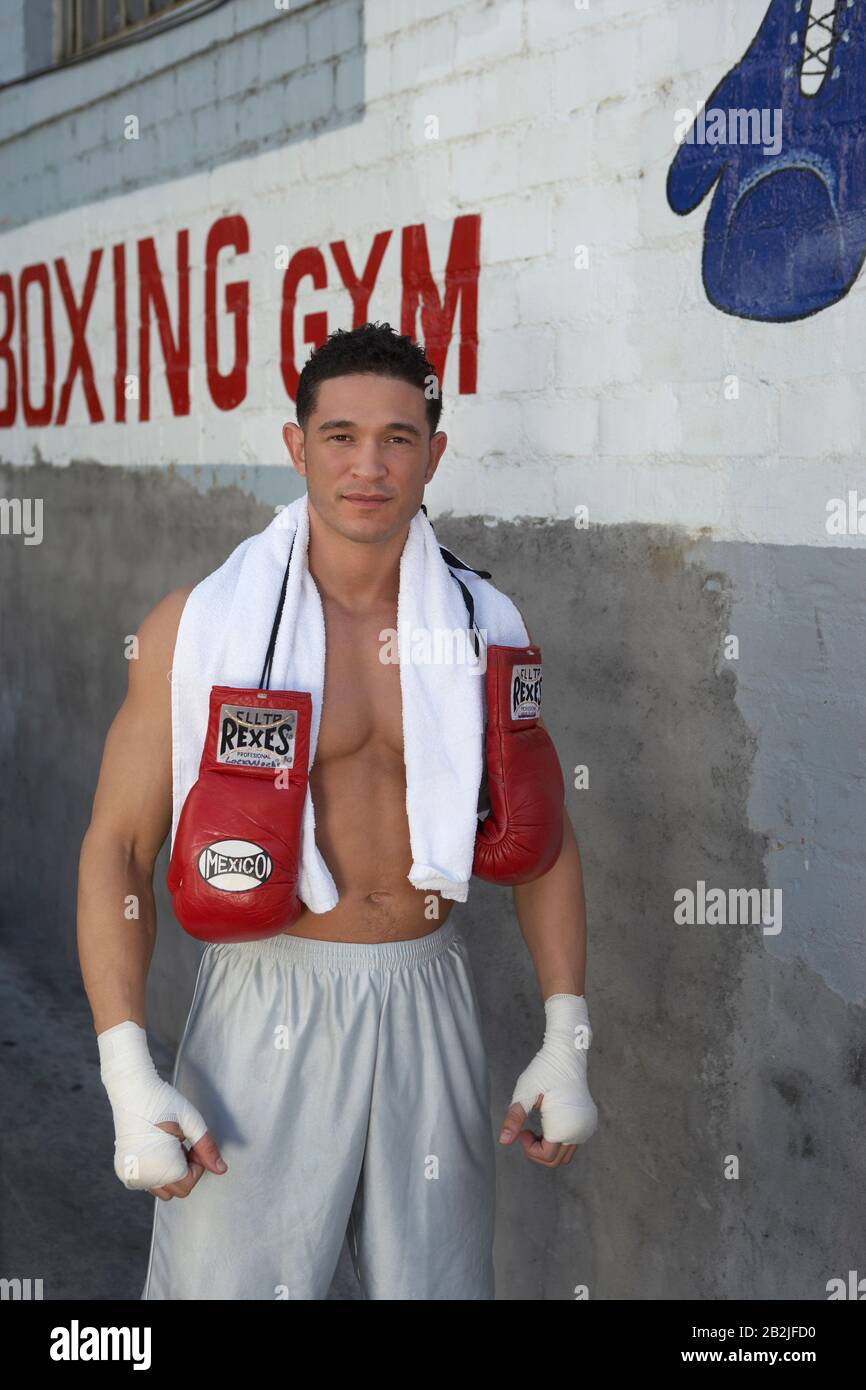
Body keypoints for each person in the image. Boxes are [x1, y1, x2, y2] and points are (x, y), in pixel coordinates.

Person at [77, 322, 597, 1301]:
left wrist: (565, 1036)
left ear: (432, 454)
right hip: (262, 1009)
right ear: (295, 445)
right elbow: (118, 846)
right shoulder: (196, 627)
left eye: (398, 438)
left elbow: (542, 837)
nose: (368, 464)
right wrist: (124, 1071)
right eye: (339, 435)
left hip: (427, 997)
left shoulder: (485, 625)